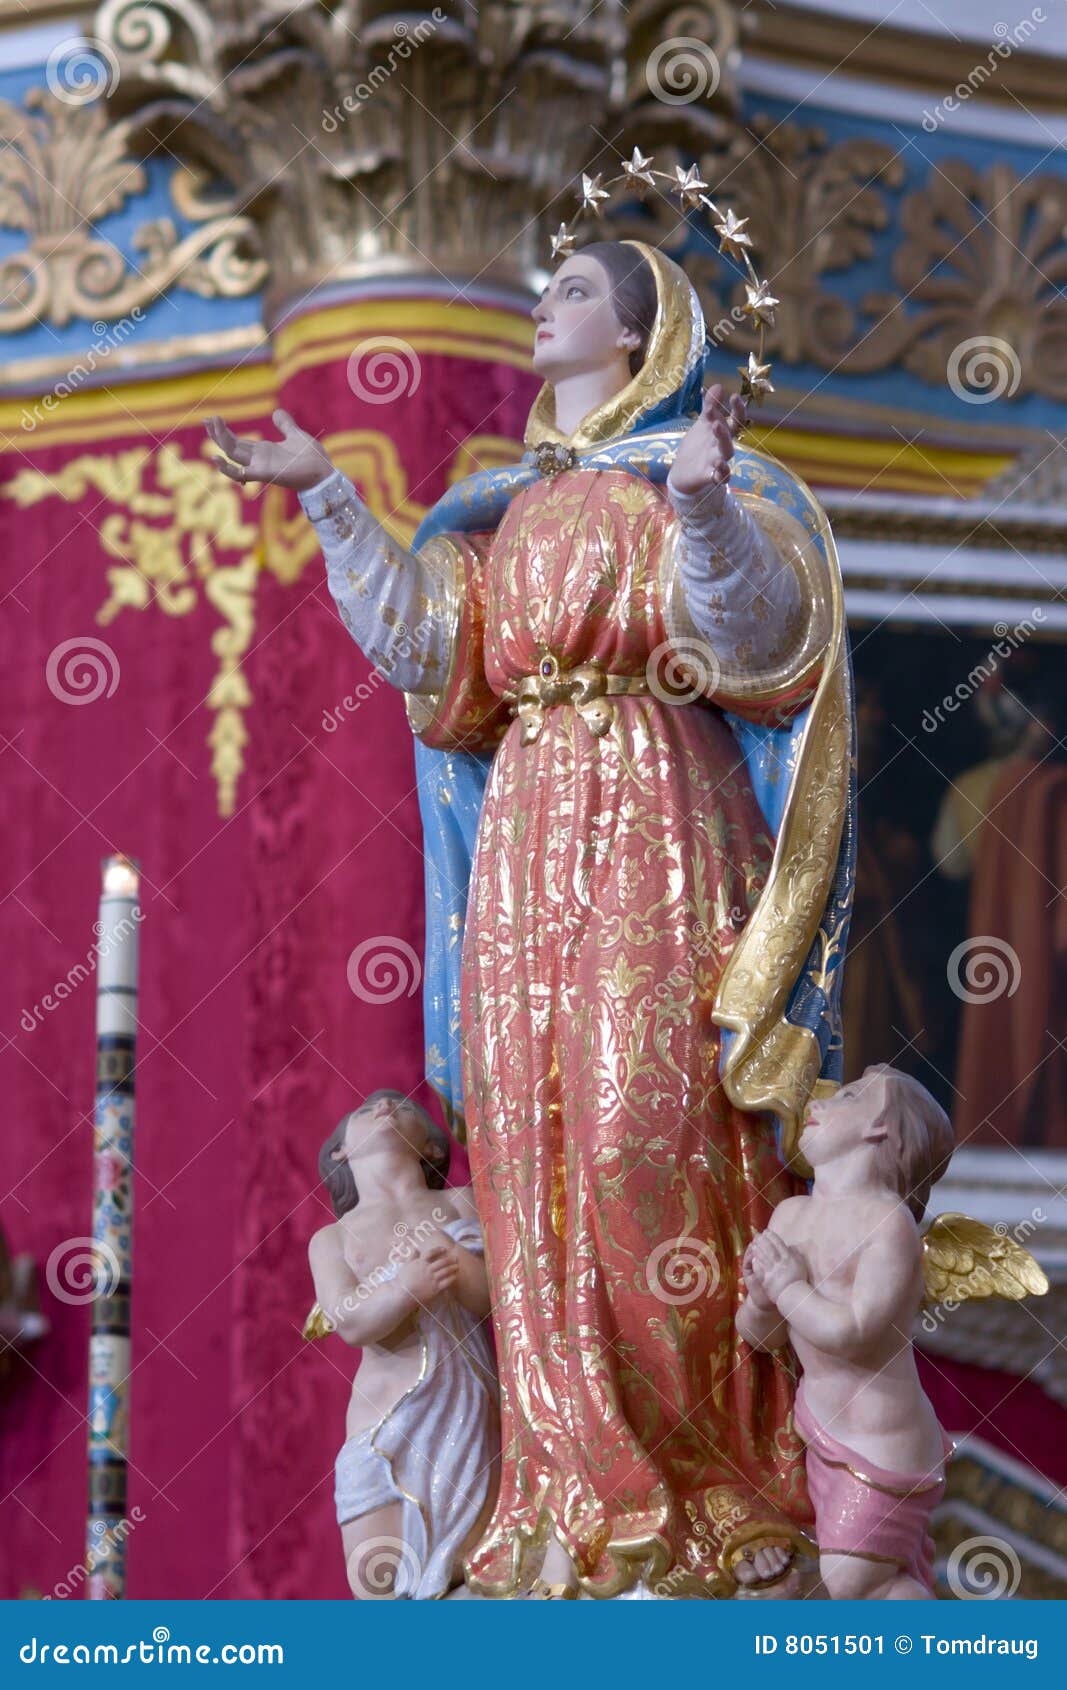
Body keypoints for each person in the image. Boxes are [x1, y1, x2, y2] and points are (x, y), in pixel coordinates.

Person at [207, 238, 851, 1597]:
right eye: (545, 286)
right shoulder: (500, 510)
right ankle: (560, 1484)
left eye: (572, 290)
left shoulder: (677, 479)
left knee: (643, 1127)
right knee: (528, 1138)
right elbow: (424, 652)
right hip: (523, 837)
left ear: (637, 330)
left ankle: (706, 1478)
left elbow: (758, 645)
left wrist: (703, 510)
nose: (544, 307)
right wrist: (326, 490)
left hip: (660, 820)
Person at [739, 1064, 955, 1599]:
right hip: (822, 1435)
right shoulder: (790, 1215)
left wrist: (786, 1284)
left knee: (855, 1581)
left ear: (880, 1129)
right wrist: (763, 1300)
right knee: (859, 1582)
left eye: (852, 1096)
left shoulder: (887, 1223)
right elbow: (763, 1337)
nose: (823, 1100)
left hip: (884, 1445)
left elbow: (853, 1332)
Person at [307, 1089, 499, 1600]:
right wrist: (406, 1288)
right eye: (366, 1109)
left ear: (433, 1148)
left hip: (467, 1418)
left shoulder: (461, 1203)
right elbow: (349, 1322)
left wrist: (455, 1266)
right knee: (379, 1579)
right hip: (383, 1426)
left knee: (472, 1571)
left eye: (405, 1107)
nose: (386, 1108)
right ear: (340, 1152)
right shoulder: (333, 1238)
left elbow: (500, 1302)